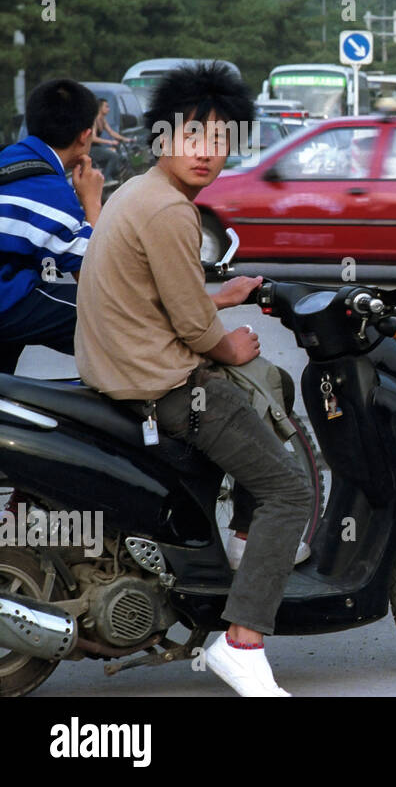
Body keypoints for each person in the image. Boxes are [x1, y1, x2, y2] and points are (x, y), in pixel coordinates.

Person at [75, 61, 312, 695]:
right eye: (192, 137)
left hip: (119, 370)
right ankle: (242, 641)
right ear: (163, 139)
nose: (208, 152)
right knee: (291, 491)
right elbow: (187, 321)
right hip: (168, 388)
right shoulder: (172, 213)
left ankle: (235, 548)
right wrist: (225, 342)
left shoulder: (136, 191)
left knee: (275, 393)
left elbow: (156, 295)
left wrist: (225, 296)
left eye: (221, 139)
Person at [0, 79, 103, 374]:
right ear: (84, 136)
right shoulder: (48, 191)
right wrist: (91, 201)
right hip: (5, 299)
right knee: (110, 319)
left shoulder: (9, 158)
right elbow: (96, 274)